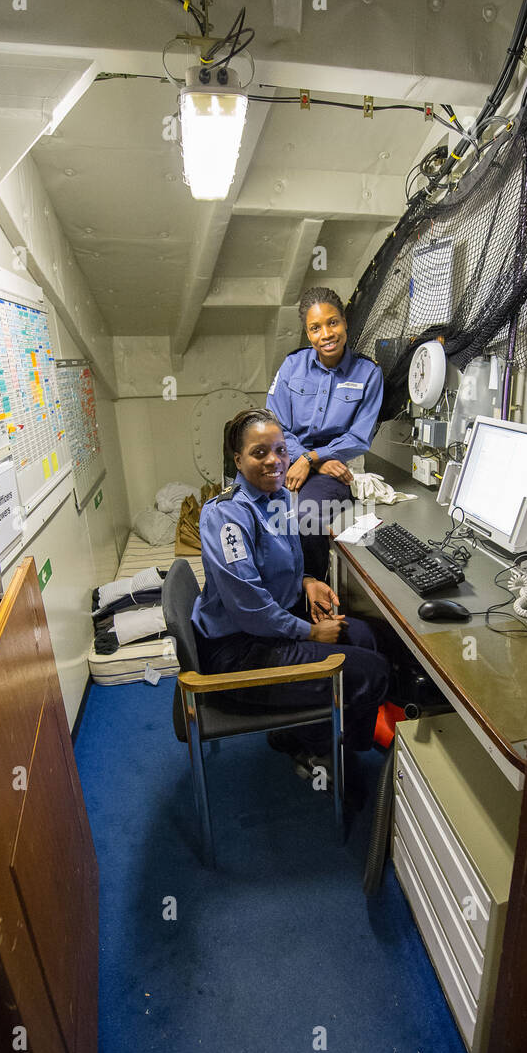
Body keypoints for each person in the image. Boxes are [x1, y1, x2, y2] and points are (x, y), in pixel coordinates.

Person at [191, 408, 390, 773]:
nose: (275, 461)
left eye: (281, 450)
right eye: (259, 452)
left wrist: (307, 582)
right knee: (373, 672)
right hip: (240, 651)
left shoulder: (279, 497)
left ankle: (319, 737)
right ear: (238, 459)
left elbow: (272, 565)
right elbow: (251, 607)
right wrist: (311, 632)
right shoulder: (226, 516)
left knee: (364, 637)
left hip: (267, 628)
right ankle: (318, 751)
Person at [267, 286, 384, 579]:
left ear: (345, 322)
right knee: (249, 513)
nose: (326, 334)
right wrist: (309, 458)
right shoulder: (292, 365)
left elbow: (359, 437)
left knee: (307, 519)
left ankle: (313, 594)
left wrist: (312, 460)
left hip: (337, 468)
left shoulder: (368, 373)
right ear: (308, 334)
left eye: (332, 322)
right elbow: (275, 426)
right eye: (316, 328)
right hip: (290, 459)